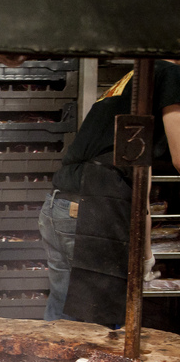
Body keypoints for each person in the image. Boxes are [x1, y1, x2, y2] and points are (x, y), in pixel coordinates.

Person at [39, 60, 180, 327]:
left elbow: (139, 174)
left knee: (63, 312)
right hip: (92, 210)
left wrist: (146, 252)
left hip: (61, 206)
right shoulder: (171, 74)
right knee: (99, 328)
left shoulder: (134, 80)